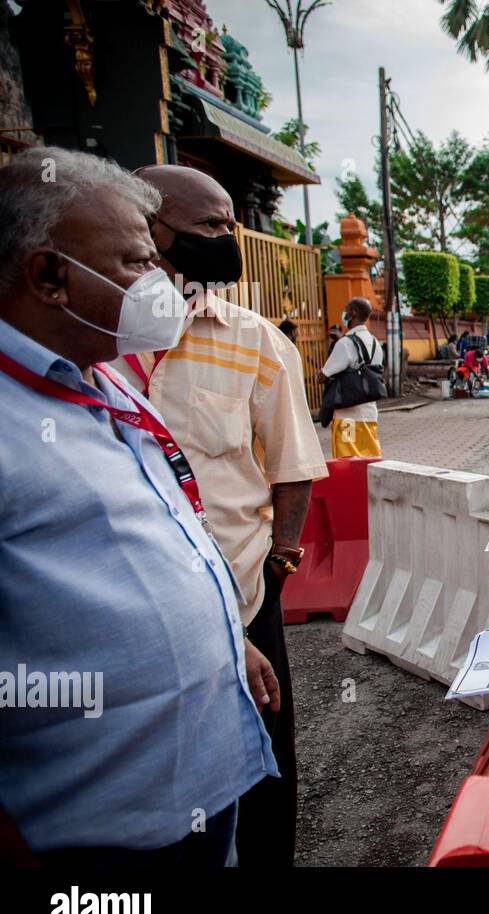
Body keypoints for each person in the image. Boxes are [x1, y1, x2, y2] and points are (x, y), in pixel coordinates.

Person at [0, 147, 278, 865]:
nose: (158, 281)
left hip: (199, 790)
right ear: (50, 276)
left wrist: (225, 638)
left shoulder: (100, 380)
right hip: (91, 837)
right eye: (134, 262)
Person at [120, 164, 329, 867]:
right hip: (135, 614)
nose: (228, 240)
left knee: (265, 764)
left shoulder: (255, 339)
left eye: (230, 223)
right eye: (211, 225)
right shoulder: (96, 344)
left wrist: (282, 560)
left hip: (244, 595)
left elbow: (292, 465)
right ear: (152, 228)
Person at [318, 296, 383, 458]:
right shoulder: (375, 343)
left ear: (353, 313)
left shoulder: (345, 343)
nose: (344, 313)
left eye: (346, 310)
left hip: (348, 418)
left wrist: (322, 375)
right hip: (369, 416)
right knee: (369, 461)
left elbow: (324, 375)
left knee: (347, 462)